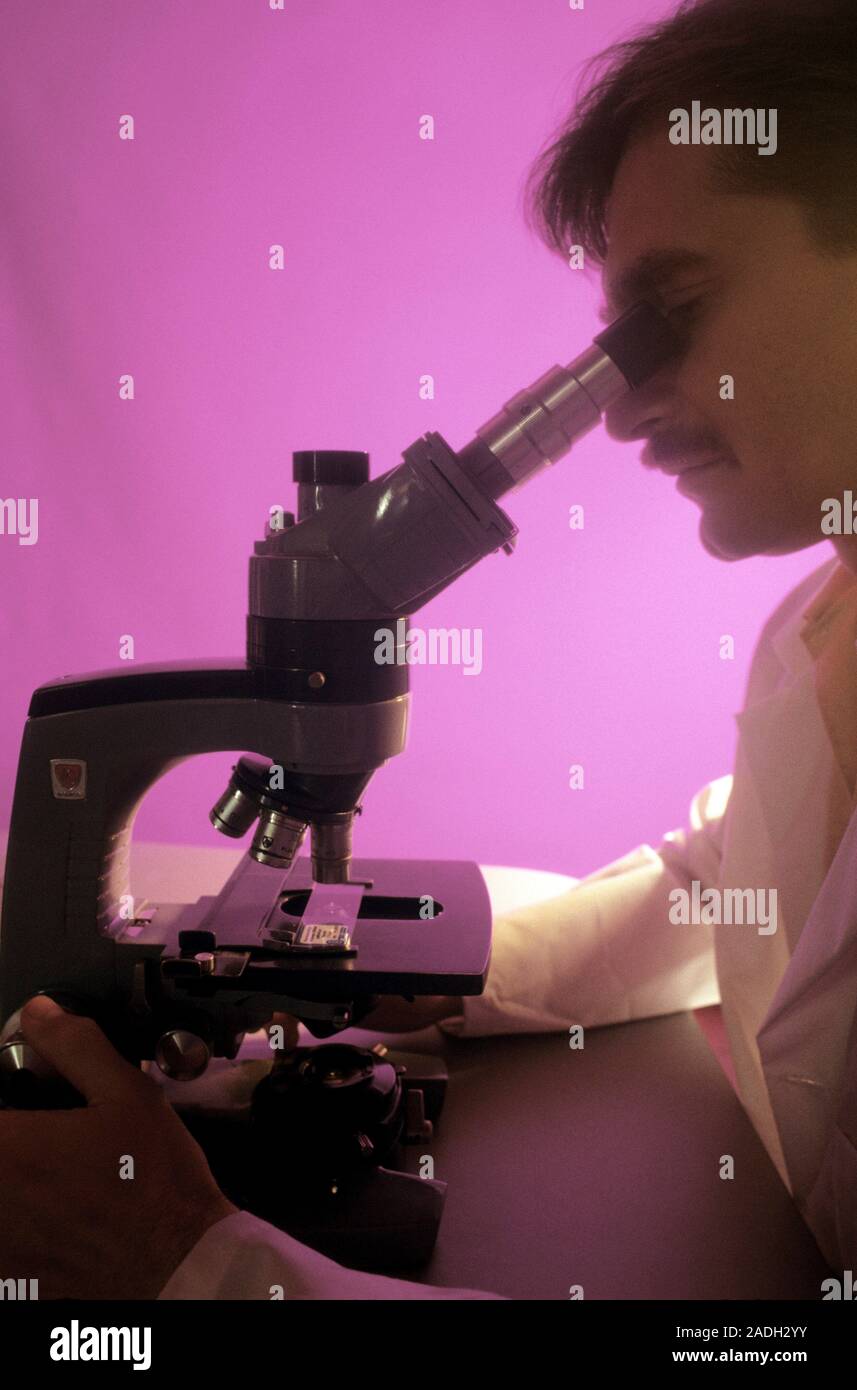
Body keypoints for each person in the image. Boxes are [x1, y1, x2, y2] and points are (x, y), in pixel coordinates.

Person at [4, 0, 857, 1298]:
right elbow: (711, 890)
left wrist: (189, 1261)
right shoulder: (817, 629)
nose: (619, 409)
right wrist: (409, 974)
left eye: (672, 309)